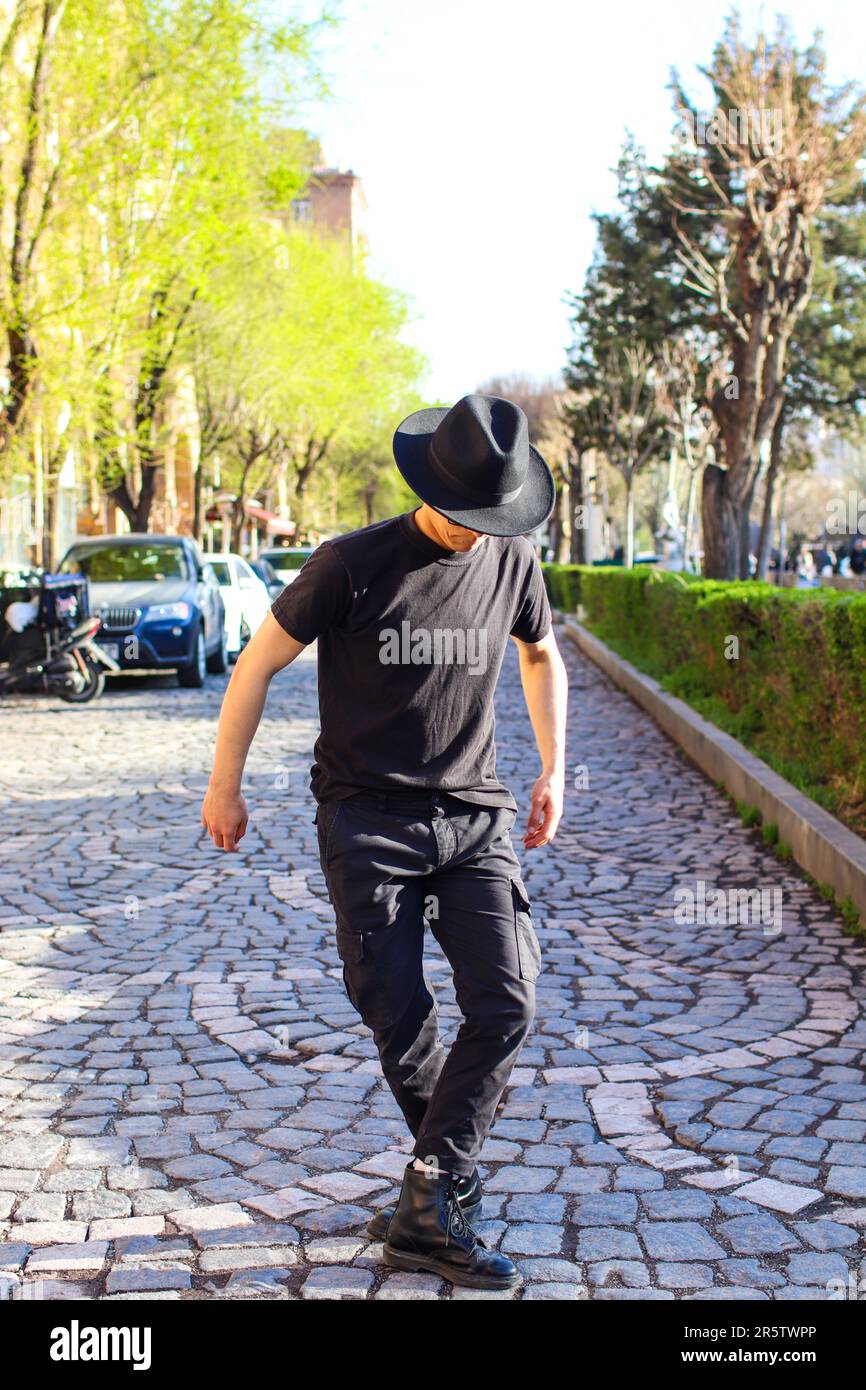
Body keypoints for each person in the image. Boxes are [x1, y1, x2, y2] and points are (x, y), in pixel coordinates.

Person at [201, 394, 568, 1290]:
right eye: (469, 519)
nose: (482, 535)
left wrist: (554, 767)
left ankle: (427, 1198)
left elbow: (540, 653)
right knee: (396, 1010)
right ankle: (435, 1202)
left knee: (509, 1001)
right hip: (369, 818)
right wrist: (225, 783)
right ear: (430, 491)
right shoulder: (351, 565)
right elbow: (257, 662)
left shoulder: (511, 560)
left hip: (474, 816)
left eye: (497, 519)